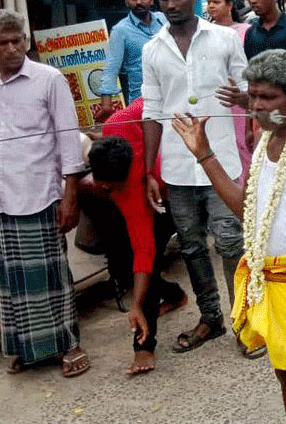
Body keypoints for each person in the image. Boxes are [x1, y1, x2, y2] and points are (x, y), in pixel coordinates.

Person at [172, 49, 286, 424]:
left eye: (267, 97)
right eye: (252, 96)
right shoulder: (263, 137)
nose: (256, 106)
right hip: (268, 279)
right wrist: (204, 153)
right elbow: (248, 210)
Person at [0, 9, 89, 377]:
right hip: (3, 198)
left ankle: (68, 344)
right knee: (14, 282)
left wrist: (69, 195)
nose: (13, 48)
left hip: (43, 195)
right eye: (4, 42)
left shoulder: (49, 79)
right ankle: (28, 346)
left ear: (25, 40)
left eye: (19, 40)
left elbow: (69, 143)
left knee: (52, 276)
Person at [141, 0, 249, 355]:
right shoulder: (152, 49)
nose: (171, 5)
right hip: (176, 164)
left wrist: (243, 97)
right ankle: (211, 318)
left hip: (220, 162)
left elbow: (249, 86)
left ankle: (244, 318)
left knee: (230, 241)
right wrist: (151, 170)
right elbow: (151, 111)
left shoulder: (223, 39)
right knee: (189, 245)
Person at [87, 99, 188, 375]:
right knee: (120, 265)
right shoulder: (115, 124)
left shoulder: (133, 193)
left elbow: (144, 252)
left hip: (170, 194)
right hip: (146, 173)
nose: (104, 187)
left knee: (147, 266)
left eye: (110, 185)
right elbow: (152, 99)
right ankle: (175, 294)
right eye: (101, 182)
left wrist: (135, 305)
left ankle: (144, 346)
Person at [98, 0, 166, 122]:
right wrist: (106, 103)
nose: (139, 2)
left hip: (171, 93)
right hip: (142, 100)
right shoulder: (120, 30)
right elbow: (111, 67)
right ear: (127, 1)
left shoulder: (164, 20)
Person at [207, 0, 253, 184]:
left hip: (240, 98)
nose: (210, 6)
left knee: (243, 143)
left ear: (230, 5)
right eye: (209, 2)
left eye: (216, 2)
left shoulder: (245, 31)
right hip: (215, 99)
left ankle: (248, 190)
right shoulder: (205, 33)